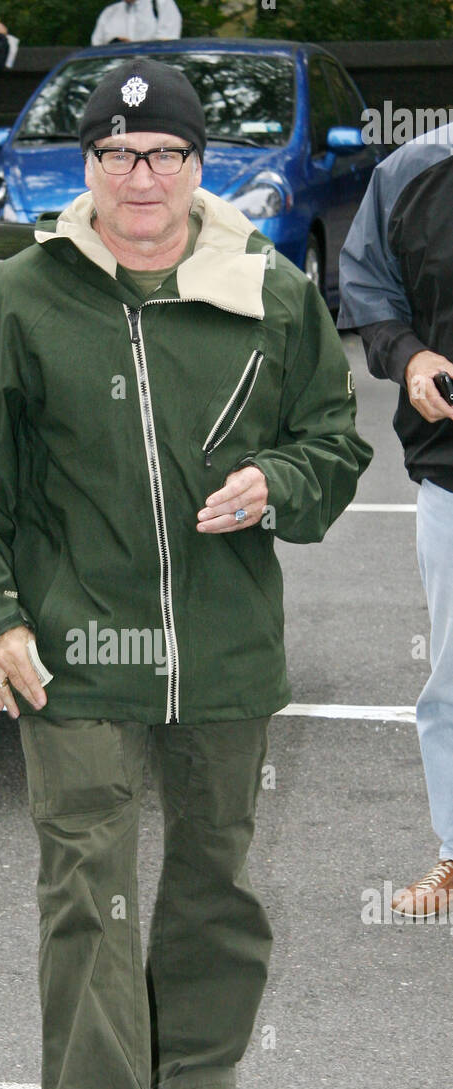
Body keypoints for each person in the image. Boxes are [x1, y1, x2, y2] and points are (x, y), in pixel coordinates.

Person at [0, 58, 371, 1089]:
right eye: (115, 156)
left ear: (195, 167)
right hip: (71, 650)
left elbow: (331, 440)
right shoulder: (23, 296)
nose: (139, 177)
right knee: (85, 885)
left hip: (220, 647)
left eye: (162, 153)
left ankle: (201, 1070)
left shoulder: (268, 293)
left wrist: (276, 479)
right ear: (87, 171)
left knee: (213, 869)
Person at [338, 125, 453, 925]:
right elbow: (368, 288)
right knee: (452, 682)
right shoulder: (411, 171)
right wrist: (409, 357)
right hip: (451, 467)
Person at [91, 0, 182, 45]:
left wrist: (132, 48)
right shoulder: (110, 12)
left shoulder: (162, 4)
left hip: (153, 75)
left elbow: (168, 45)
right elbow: (97, 47)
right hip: (117, 75)